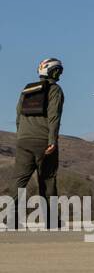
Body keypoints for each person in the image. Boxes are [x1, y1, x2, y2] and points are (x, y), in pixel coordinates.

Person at [14, 58, 64, 224]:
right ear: (53, 72)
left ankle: (10, 218)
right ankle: (51, 220)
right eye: (59, 70)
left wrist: (20, 136)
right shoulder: (54, 90)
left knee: (19, 181)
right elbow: (54, 116)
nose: (60, 74)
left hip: (23, 140)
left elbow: (18, 115)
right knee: (48, 180)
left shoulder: (27, 90)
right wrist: (52, 140)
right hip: (43, 140)